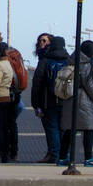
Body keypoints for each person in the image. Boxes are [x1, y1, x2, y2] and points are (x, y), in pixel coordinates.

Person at [59, 40, 93, 166]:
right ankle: (88, 158)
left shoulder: (71, 60)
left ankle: (62, 157)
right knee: (89, 128)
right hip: (83, 100)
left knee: (70, 129)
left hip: (69, 98)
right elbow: (88, 84)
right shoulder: (87, 63)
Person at [31, 34, 69, 162]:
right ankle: (65, 155)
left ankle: (54, 155)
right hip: (66, 101)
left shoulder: (45, 61)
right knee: (64, 128)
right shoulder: (69, 61)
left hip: (49, 101)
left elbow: (37, 83)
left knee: (52, 128)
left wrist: (35, 103)